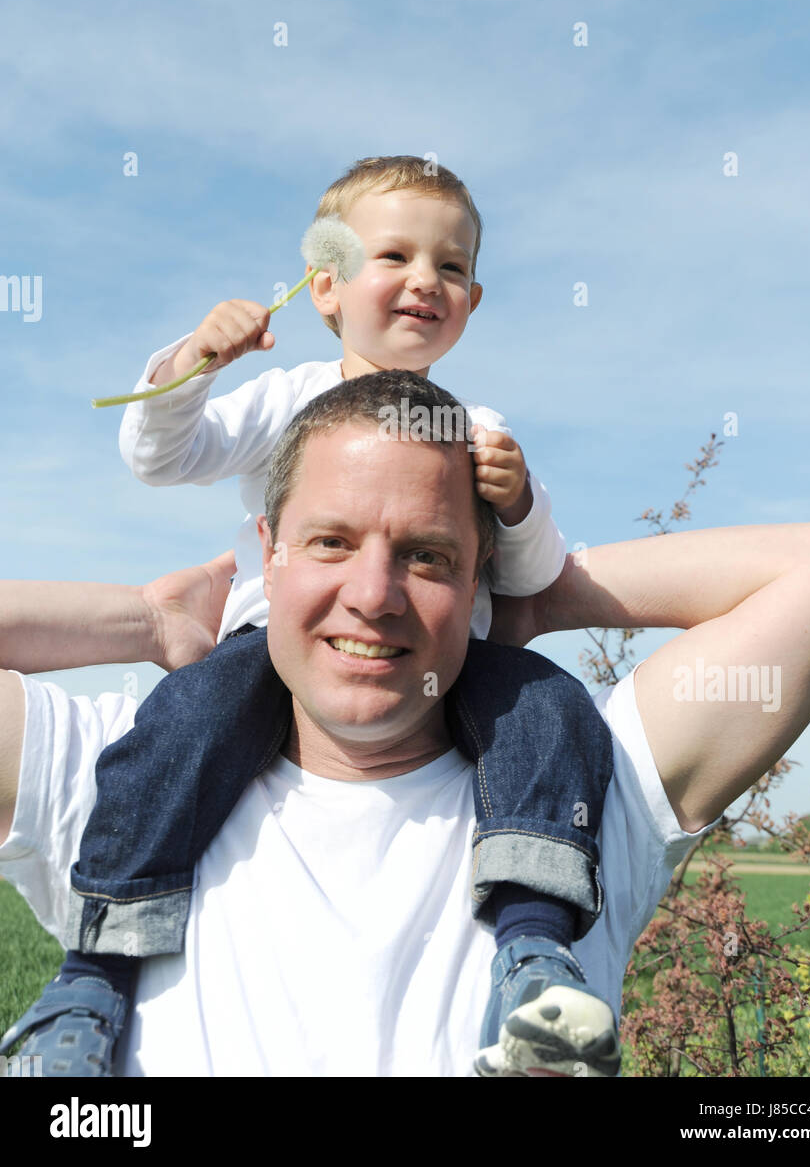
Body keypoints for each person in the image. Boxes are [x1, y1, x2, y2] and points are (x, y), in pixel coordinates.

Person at [1, 370, 810, 1077]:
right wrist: (147, 620)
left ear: (478, 574)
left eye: (426, 555)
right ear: (269, 553)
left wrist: (539, 590)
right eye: (331, 542)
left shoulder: (586, 785)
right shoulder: (117, 774)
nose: (374, 596)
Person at [2, 146, 625, 1077]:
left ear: (473, 302)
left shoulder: (474, 428)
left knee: (546, 708)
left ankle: (532, 950)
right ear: (322, 286)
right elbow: (159, 452)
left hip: (450, 658)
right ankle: (93, 975)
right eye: (396, 257)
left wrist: (520, 500)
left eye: (451, 267)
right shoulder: (291, 398)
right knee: (182, 725)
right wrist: (197, 359)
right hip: (281, 652)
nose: (426, 281)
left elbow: (531, 578)